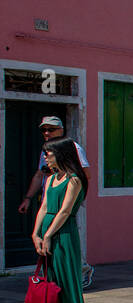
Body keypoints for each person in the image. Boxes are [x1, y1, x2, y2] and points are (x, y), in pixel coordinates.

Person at [19, 117, 94, 287]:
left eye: (51, 129)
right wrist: (28, 198)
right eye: (44, 130)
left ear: (61, 130)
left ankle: (81, 271)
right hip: (50, 201)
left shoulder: (73, 149)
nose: (47, 133)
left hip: (65, 203)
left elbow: (85, 174)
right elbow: (39, 175)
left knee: (65, 245)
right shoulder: (46, 153)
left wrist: (71, 188)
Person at [31, 138, 90, 303]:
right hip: (48, 230)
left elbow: (65, 211)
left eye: (49, 153)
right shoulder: (52, 179)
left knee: (66, 279)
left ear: (61, 154)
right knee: (53, 280)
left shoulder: (74, 179)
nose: (45, 157)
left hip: (63, 233)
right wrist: (36, 233)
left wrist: (47, 235)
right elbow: (45, 206)